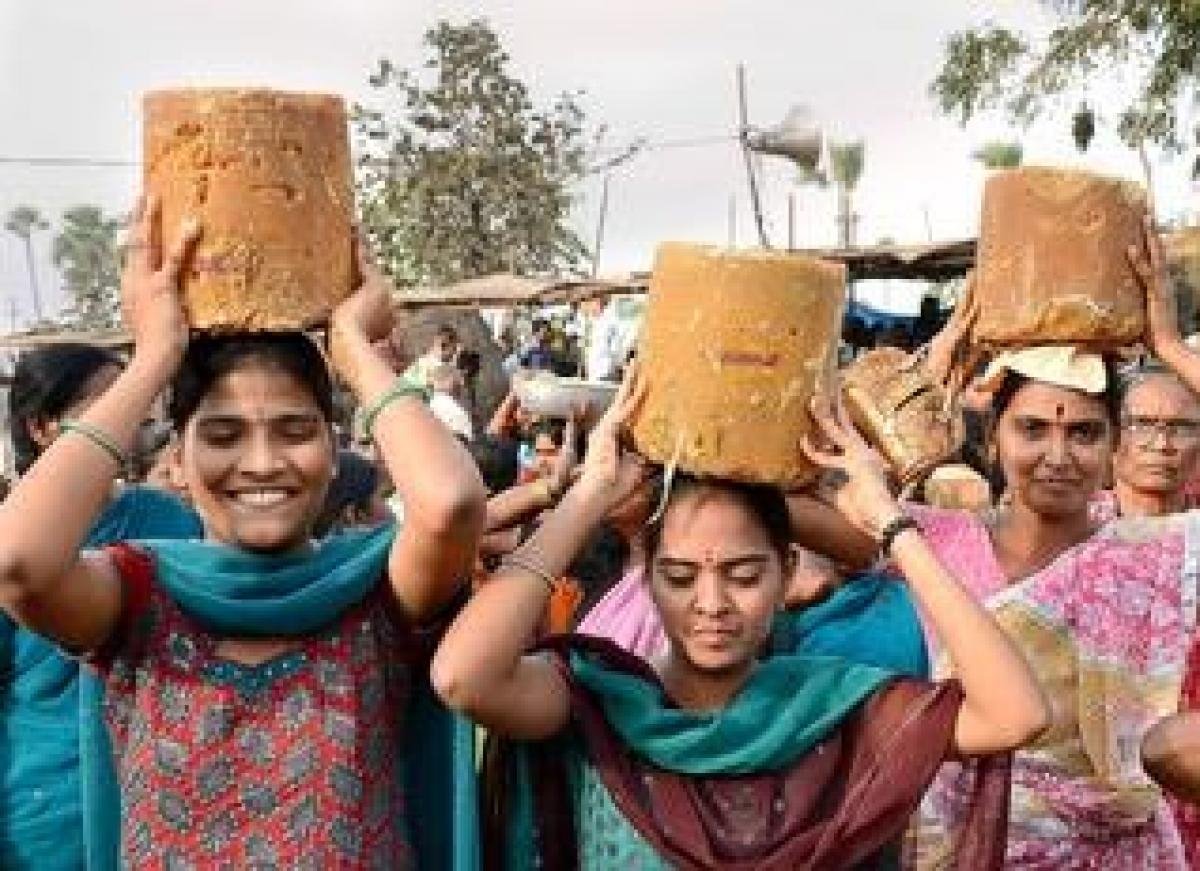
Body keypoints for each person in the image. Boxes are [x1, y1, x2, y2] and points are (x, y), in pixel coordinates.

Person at [0, 195, 486, 867]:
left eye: (295, 430)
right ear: (177, 455)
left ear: (335, 441)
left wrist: (350, 348)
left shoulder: (376, 587)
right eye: (224, 435)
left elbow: (453, 504)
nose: (262, 462)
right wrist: (153, 359)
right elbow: (17, 561)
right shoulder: (138, 594)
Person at [431, 368, 1047, 868]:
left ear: (785, 575)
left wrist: (893, 527)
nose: (712, 604)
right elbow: (463, 676)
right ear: (647, 579)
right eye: (680, 577)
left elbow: (1015, 713)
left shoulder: (831, 709)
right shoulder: (602, 703)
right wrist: (586, 496)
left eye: (744, 576)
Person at [1, 342, 203, 871]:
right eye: (105, 399)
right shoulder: (14, 545)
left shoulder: (165, 518)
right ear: (43, 427)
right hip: (49, 805)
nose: (129, 413)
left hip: (162, 786)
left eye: (133, 395)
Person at [1095, 363, 1200, 519]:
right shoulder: (1071, 528)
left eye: (1182, 427)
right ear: (1111, 433)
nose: (1162, 445)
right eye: (1142, 425)